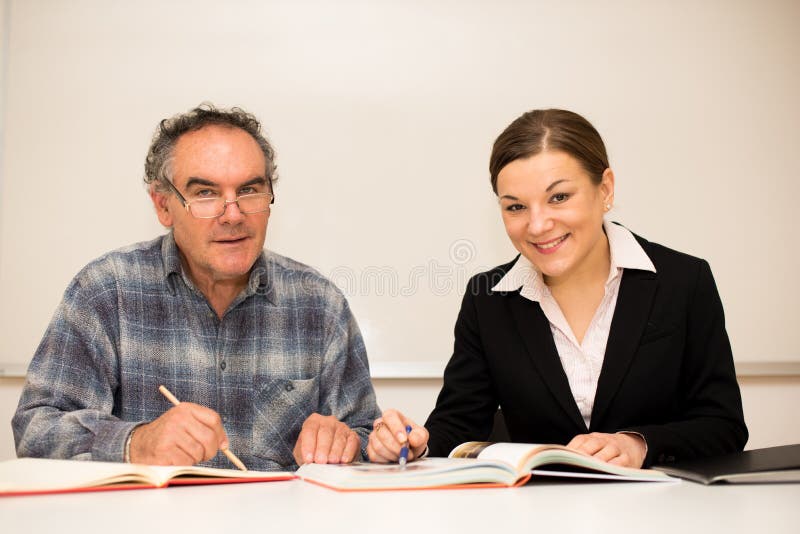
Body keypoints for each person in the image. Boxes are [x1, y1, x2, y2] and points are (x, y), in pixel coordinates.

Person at [367, 109, 747, 468]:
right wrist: (417, 443)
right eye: (515, 207)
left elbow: (723, 426)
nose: (537, 225)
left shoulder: (683, 281)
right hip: (540, 513)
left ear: (606, 189)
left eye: (559, 197)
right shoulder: (487, 298)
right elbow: (459, 427)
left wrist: (638, 444)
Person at [13, 104, 381, 471]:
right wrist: (135, 443)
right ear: (163, 206)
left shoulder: (320, 305)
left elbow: (365, 436)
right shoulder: (107, 292)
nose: (233, 214)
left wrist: (349, 444)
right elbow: (35, 429)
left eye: (250, 189)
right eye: (206, 193)